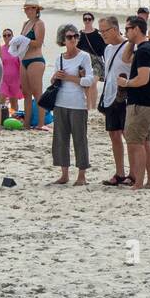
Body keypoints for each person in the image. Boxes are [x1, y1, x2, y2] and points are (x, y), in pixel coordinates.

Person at [119, 15, 150, 190]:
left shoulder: (144, 50)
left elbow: (143, 78)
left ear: (136, 29)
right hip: (148, 102)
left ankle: (139, 182)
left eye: (128, 29)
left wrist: (126, 83)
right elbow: (125, 58)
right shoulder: (147, 46)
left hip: (141, 103)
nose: (125, 32)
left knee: (135, 142)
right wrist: (131, 40)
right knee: (146, 142)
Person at [49, 27, 94, 185]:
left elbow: (89, 80)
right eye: (69, 37)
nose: (73, 39)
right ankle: (64, 174)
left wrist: (69, 77)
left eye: (75, 36)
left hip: (78, 103)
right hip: (60, 102)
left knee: (80, 139)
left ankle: (82, 175)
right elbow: (53, 81)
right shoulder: (59, 58)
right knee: (60, 139)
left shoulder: (84, 57)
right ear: (63, 39)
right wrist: (56, 77)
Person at [98, 15, 132, 185]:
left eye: (104, 31)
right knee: (113, 134)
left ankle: (133, 174)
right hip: (110, 96)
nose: (102, 34)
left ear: (114, 29)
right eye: (100, 31)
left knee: (128, 134)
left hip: (125, 96)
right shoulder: (107, 49)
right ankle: (120, 173)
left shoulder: (129, 46)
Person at [20, 3, 47, 130]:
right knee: (26, 93)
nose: (27, 10)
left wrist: (24, 41)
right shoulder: (25, 24)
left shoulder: (39, 23)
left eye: (29, 8)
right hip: (24, 59)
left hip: (35, 59)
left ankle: (40, 123)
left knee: (37, 92)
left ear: (36, 9)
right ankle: (26, 123)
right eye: (26, 8)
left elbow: (38, 43)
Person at [78, 12, 105, 110]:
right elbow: (76, 50)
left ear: (93, 20)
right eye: (85, 19)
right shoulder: (79, 35)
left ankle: (93, 108)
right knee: (86, 85)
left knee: (93, 82)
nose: (87, 21)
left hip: (97, 61)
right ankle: (88, 107)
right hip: (84, 62)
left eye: (89, 19)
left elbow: (104, 49)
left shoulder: (98, 34)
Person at [0, 28, 23, 117]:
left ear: (12, 36)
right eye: (4, 35)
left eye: (9, 35)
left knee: (14, 102)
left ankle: (13, 118)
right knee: (2, 99)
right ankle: (1, 118)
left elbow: (22, 66)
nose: (7, 37)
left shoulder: (18, 50)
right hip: (3, 79)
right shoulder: (0, 49)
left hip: (16, 79)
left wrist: (22, 81)